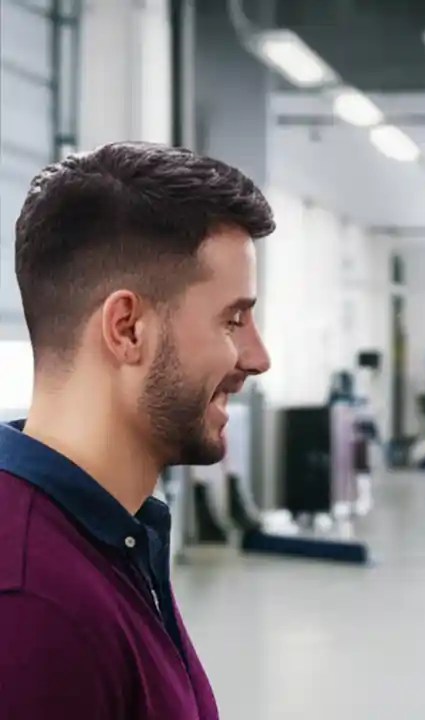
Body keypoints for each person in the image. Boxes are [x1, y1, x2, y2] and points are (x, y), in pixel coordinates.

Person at [0, 141, 273, 719]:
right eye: (233, 319)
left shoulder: (108, 534)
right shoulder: (31, 610)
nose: (257, 356)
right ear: (127, 329)